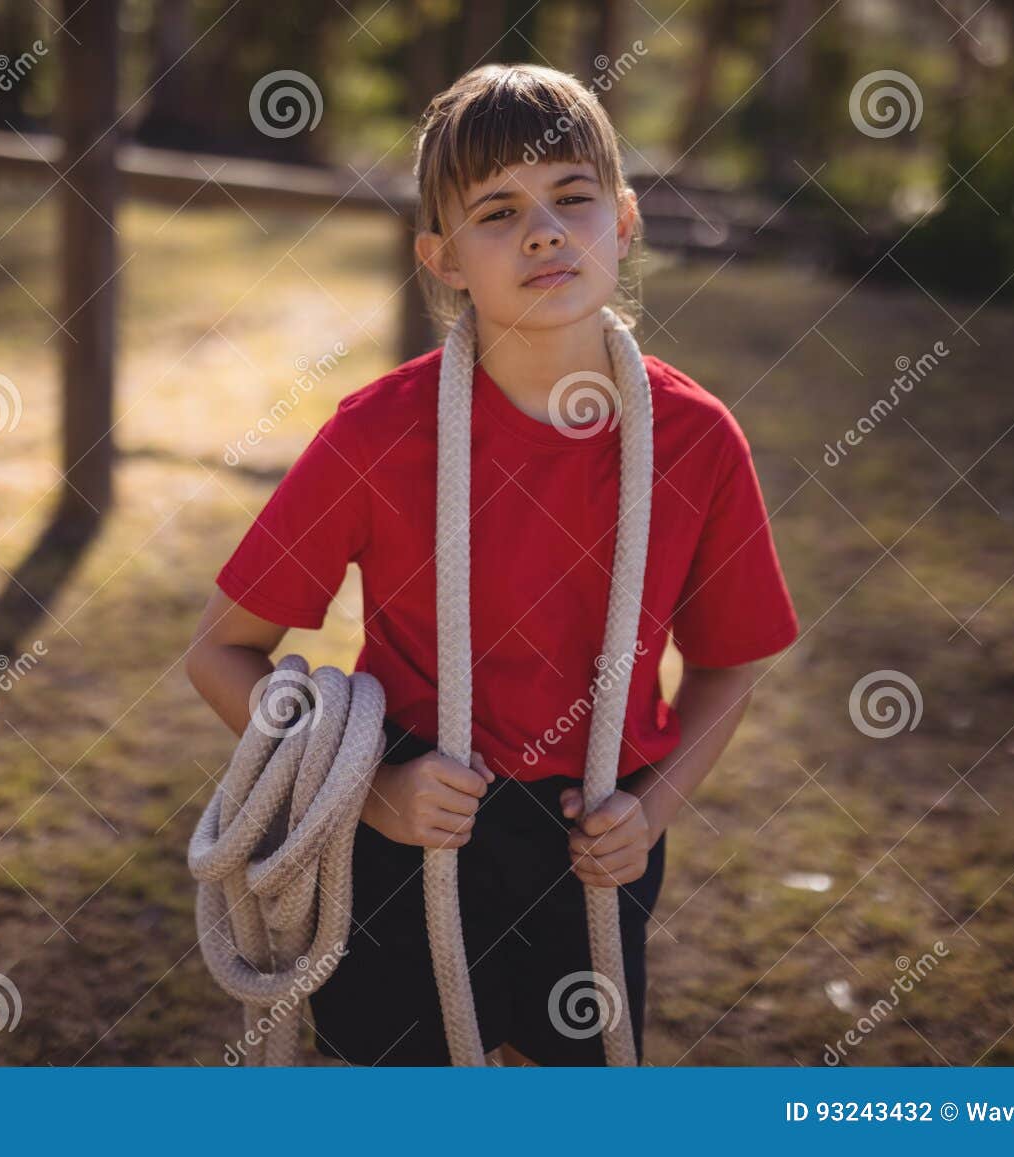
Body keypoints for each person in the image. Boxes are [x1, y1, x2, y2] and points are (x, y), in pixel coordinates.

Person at [187, 62, 798, 1066]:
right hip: (408, 821)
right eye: (499, 210)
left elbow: (732, 662)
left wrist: (650, 811)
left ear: (626, 220)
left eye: (572, 198)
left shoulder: (695, 440)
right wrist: (376, 791)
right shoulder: (378, 435)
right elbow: (221, 651)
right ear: (443, 259)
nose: (545, 231)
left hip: (593, 836)